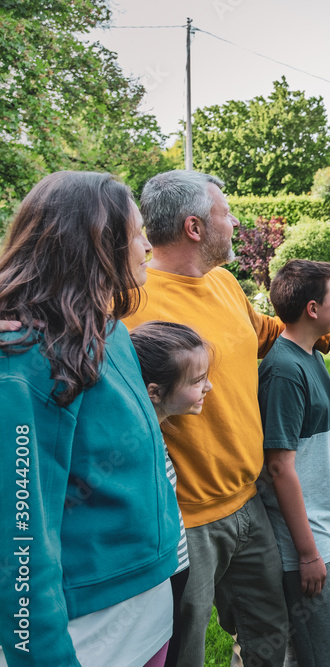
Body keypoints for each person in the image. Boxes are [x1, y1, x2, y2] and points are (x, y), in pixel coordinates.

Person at [121, 170, 330, 667]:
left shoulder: (225, 285)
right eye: (224, 214)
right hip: (186, 519)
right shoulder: (129, 300)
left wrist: (326, 337)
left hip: (249, 506)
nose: (233, 222)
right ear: (195, 227)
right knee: (182, 648)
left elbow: (271, 333)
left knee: (268, 638)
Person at [0, 171, 180, 666]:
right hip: (88, 628)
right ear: (95, 242)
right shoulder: (23, 360)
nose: (147, 245)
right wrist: (40, 654)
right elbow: (19, 529)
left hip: (145, 605)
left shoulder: (111, 331)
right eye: (137, 232)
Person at [256, 260, 330, 667]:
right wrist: (306, 554)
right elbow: (280, 467)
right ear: (313, 309)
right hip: (305, 540)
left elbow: (309, 435)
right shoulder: (284, 370)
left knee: (306, 653)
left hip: (320, 530)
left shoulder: (308, 356)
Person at [130, 322, 213, 667]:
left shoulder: (153, 430)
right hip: (158, 576)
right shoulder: (137, 445)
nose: (208, 386)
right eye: (196, 382)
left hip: (174, 566)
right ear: (154, 391)